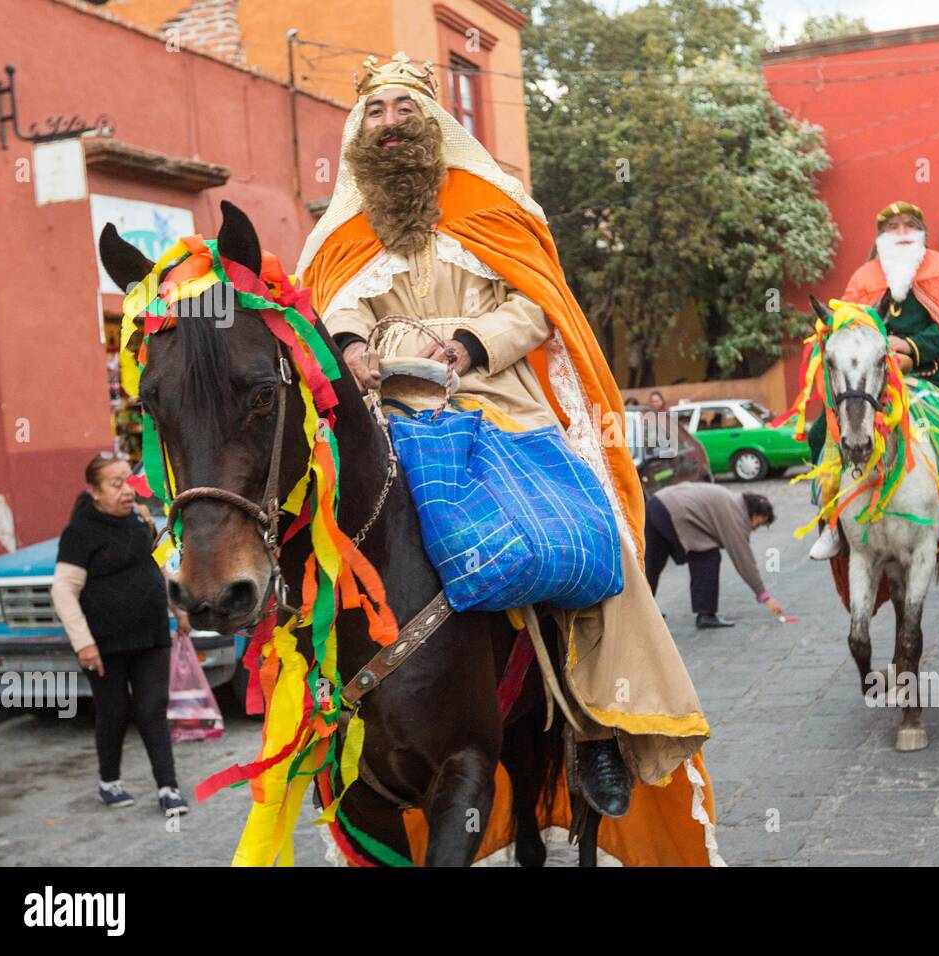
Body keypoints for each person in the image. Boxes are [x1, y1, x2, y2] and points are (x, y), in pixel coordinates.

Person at [295, 53, 716, 859]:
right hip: (389, 411)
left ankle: (598, 724)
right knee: (318, 532)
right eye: (375, 112)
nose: (390, 123)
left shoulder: (495, 206)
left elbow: (539, 303)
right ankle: (332, 724)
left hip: (499, 403)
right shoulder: (342, 230)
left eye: (404, 110)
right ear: (359, 131)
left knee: (592, 539)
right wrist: (350, 348)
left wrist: (466, 343)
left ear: (433, 123)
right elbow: (334, 306)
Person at [808, 200, 939, 559]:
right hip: (875, 377)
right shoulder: (863, 279)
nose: (901, 233)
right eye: (893, 227)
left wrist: (910, 348)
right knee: (821, 430)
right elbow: (848, 328)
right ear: (882, 237)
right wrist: (878, 354)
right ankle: (833, 521)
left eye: (909, 225)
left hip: (933, 373)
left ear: (921, 233)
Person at [50, 453, 189, 817]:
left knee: (152, 709)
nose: (128, 490)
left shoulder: (142, 520)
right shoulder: (80, 533)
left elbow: (160, 568)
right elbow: (63, 591)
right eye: (116, 484)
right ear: (94, 491)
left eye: (129, 481)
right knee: (113, 712)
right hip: (104, 644)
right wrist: (84, 644)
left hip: (152, 635)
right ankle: (109, 781)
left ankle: (168, 788)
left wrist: (179, 610)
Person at [645, 483, 785, 629]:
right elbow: (744, 560)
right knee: (707, 556)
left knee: (651, 563)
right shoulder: (735, 517)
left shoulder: (732, 501)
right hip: (671, 512)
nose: (755, 529)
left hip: (656, 504)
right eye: (759, 524)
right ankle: (706, 615)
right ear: (755, 514)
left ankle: (642, 611)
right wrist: (764, 596)